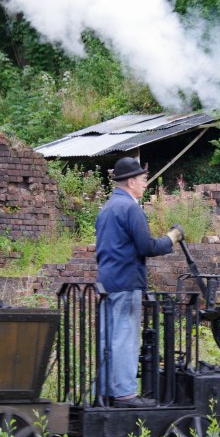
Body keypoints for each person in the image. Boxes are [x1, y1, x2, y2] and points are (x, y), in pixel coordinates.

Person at [95, 156, 183, 408]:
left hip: (106, 282)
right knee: (124, 338)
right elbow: (146, 246)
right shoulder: (131, 208)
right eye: (143, 180)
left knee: (108, 339)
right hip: (126, 282)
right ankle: (124, 394)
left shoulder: (107, 208)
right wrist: (171, 238)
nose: (145, 184)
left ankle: (105, 392)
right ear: (131, 181)